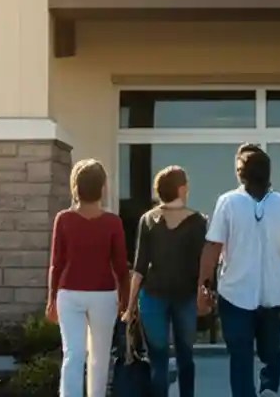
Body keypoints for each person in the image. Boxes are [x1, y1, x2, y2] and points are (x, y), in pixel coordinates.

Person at [198, 144, 280, 397]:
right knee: (271, 354)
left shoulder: (228, 203)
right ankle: (269, 389)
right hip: (274, 294)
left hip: (236, 294)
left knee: (240, 357)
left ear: (240, 173)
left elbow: (213, 247)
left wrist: (203, 286)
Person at [47, 159, 129, 397]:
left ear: (75, 187)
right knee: (100, 356)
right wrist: (125, 298)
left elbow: (56, 264)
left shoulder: (63, 219)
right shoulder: (113, 222)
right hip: (104, 294)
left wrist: (51, 299)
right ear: (102, 187)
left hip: (69, 293)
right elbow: (121, 266)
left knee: (73, 353)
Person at [123, 165, 207, 397]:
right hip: (186, 297)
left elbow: (139, 268)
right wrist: (205, 294)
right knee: (185, 358)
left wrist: (130, 307)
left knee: (158, 360)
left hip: (152, 298)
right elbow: (204, 266)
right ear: (181, 189)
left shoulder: (148, 220)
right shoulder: (199, 222)